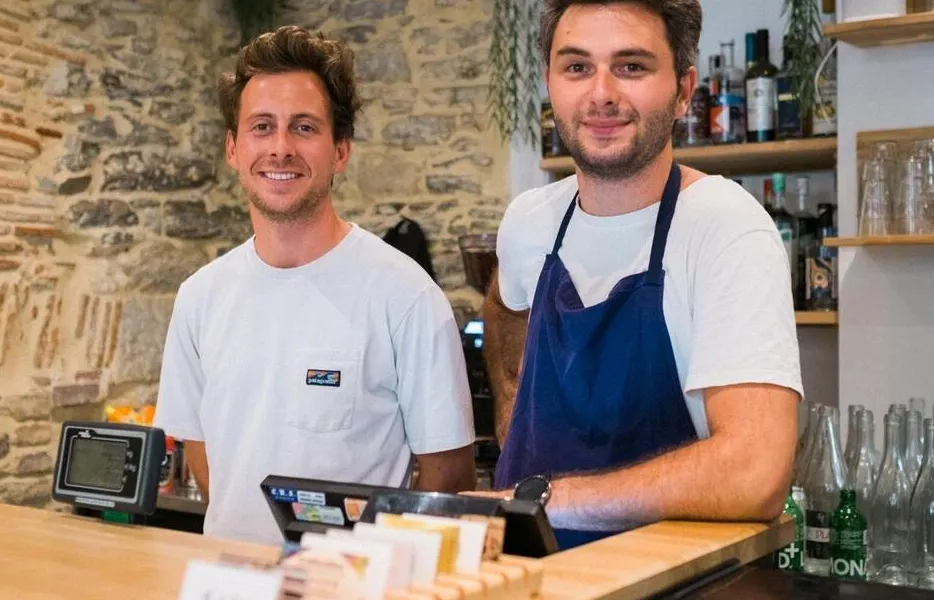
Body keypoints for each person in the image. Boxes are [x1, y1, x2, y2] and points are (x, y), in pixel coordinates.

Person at [481, 0, 803, 550]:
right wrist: (510, 416)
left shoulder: (725, 227)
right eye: (577, 67)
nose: (601, 93)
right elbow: (502, 307)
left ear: (683, 90)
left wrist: (540, 498)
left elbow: (756, 473)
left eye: (631, 66)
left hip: (667, 580)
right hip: (525, 572)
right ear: (549, 83)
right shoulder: (530, 222)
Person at [153, 25, 476, 546]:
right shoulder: (200, 297)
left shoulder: (405, 296)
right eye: (262, 127)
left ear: (340, 151)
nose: (280, 149)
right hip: (231, 582)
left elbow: (449, 480)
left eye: (304, 128)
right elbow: (203, 452)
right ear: (233, 149)